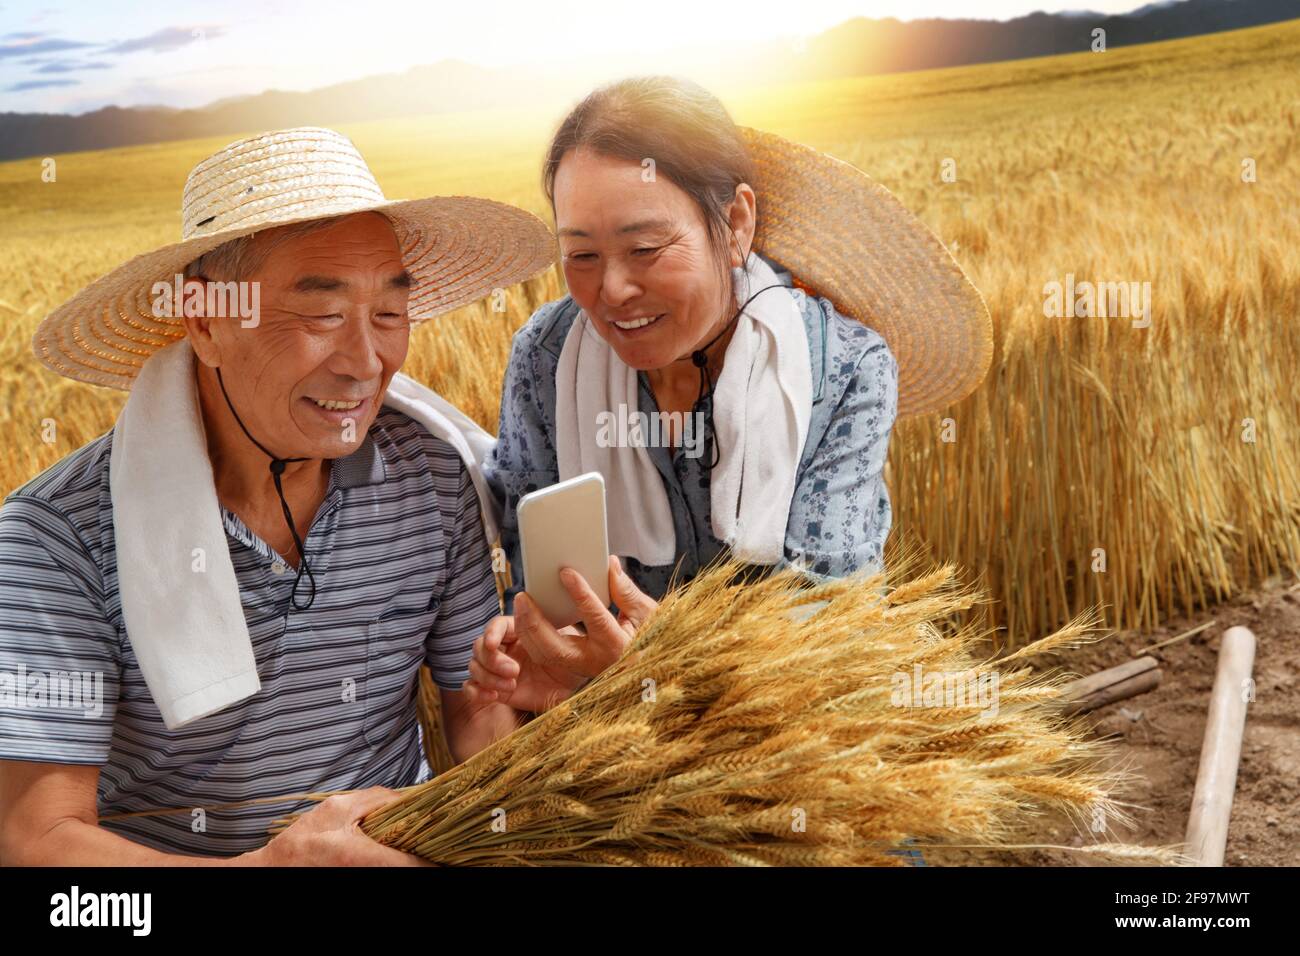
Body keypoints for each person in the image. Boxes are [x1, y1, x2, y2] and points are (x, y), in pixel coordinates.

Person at [0, 127, 555, 864]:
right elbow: (34, 839)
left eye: (390, 314)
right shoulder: (53, 538)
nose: (367, 362)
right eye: (322, 314)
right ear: (205, 320)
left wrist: (533, 734)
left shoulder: (430, 474)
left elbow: (475, 707)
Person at [464, 76, 991, 719]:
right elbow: (534, 574)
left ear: (735, 223)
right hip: (604, 737)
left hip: (800, 731)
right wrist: (524, 641)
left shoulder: (843, 370)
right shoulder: (546, 359)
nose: (614, 289)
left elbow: (829, 622)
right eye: (581, 255)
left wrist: (666, 662)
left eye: (645, 248)